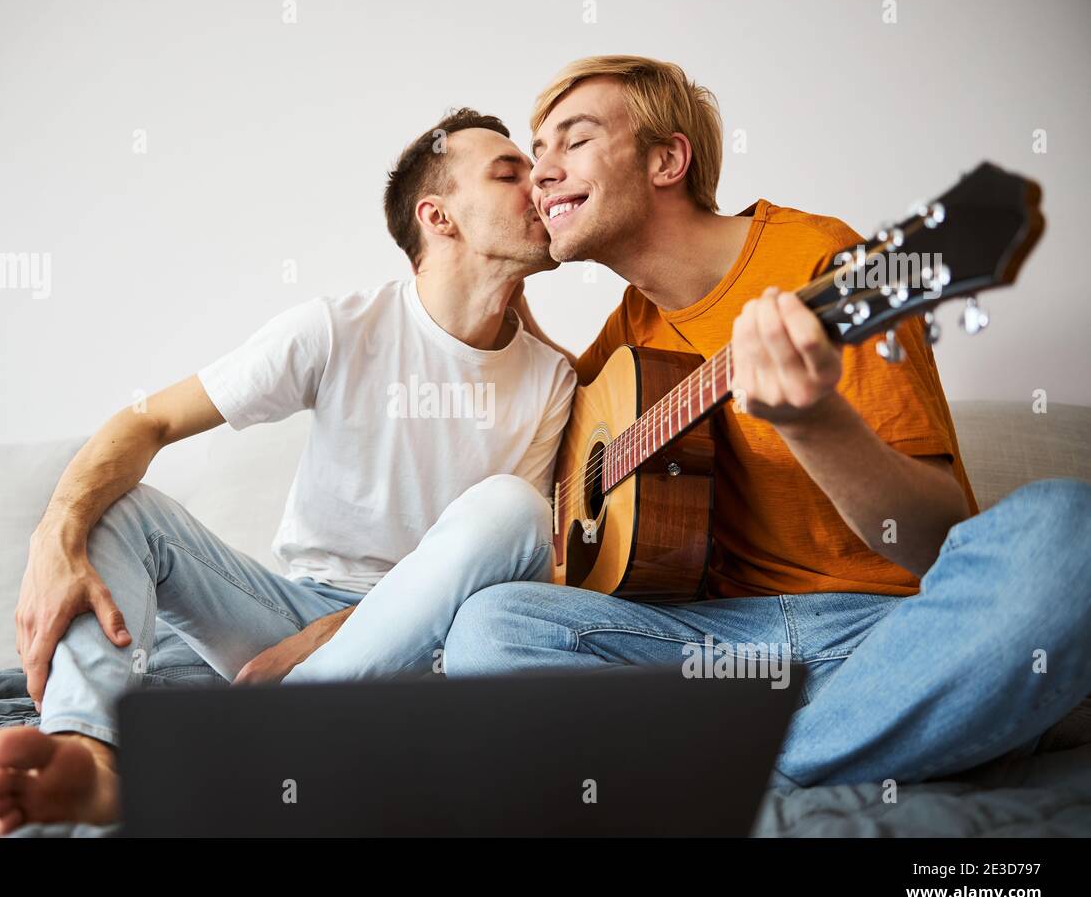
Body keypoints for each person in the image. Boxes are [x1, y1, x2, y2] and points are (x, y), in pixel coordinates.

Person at [447, 55, 1091, 789]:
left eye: (575, 140)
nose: (543, 173)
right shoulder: (631, 328)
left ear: (666, 160)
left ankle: (769, 764)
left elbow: (942, 546)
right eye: (537, 154)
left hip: (878, 639)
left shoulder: (817, 263)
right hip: (714, 653)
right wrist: (494, 285)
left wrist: (812, 421)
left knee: (1069, 537)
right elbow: (563, 439)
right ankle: (871, 743)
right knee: (491, 629)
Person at [0, 108, 576, 833]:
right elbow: (148, 422)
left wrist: (332, 642)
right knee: (119, 506)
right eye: (508, 172)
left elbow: (510, 573)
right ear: (439, 216)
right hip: (284, 617)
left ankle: (282, 730)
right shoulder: (337, 329)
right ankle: (87, 752)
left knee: (515, 511)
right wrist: (54, 535)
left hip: (427, 646)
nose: (540, 182)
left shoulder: (553, 380)